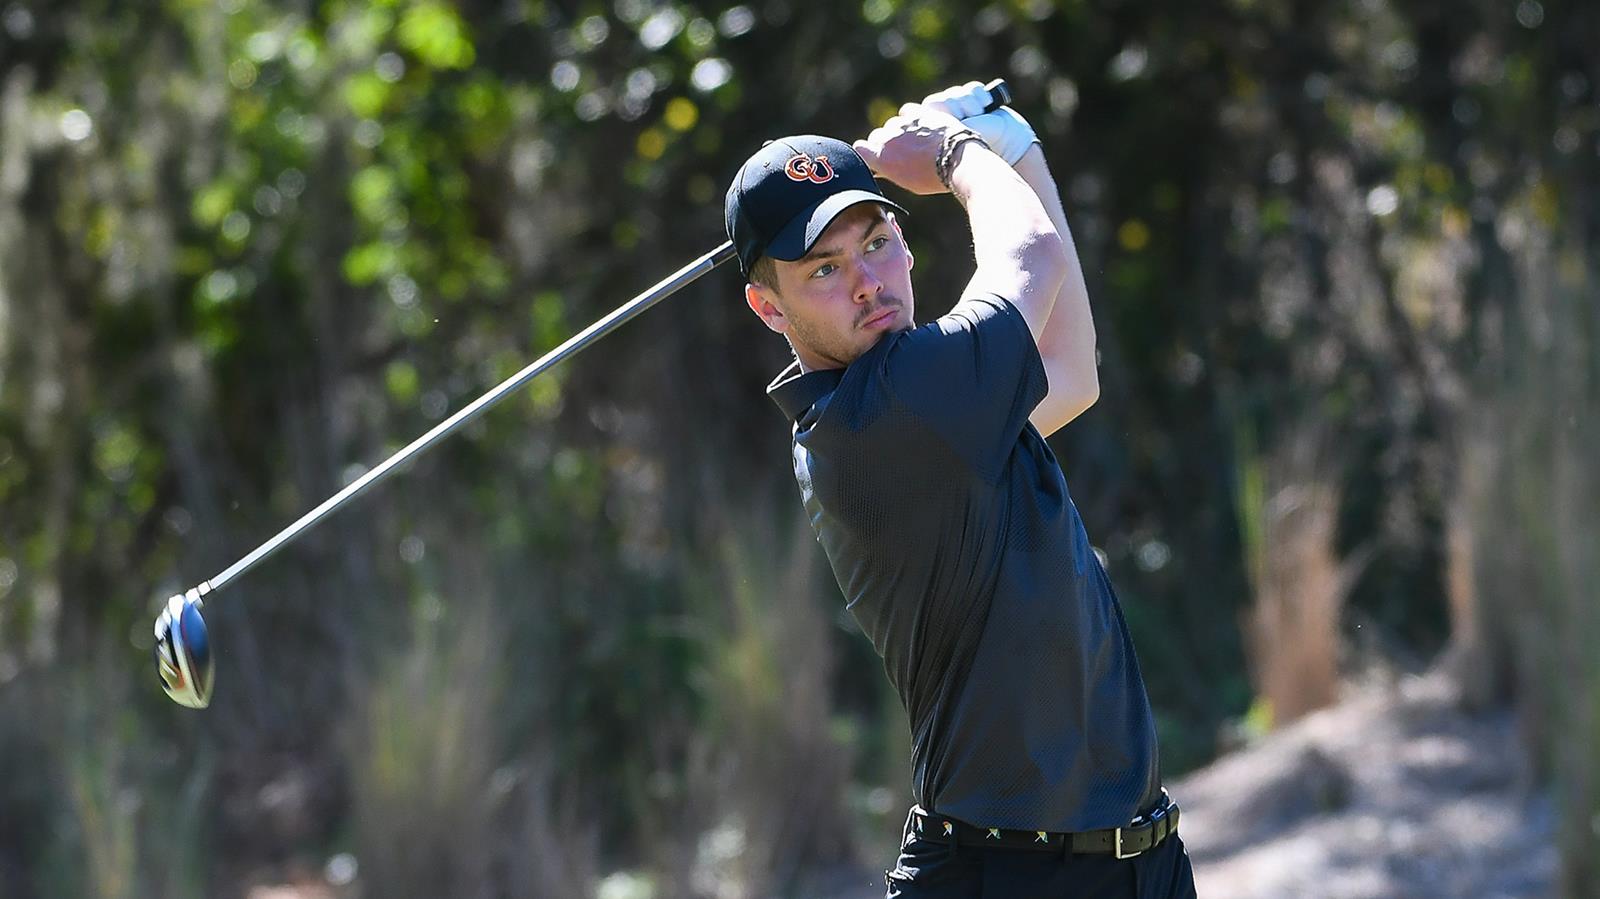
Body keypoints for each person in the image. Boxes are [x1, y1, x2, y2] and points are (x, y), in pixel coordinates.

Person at [722, 82, 1197, 898]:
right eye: (823, 270)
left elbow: (1071, 368)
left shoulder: (945, 403)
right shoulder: (888, 414)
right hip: (1007, 874)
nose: (867, 282)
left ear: (904, 240)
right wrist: (951, 149)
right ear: (769, 307)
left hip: (1129, 860)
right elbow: (1033, 257)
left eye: (875, 243)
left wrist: (1011, 145)